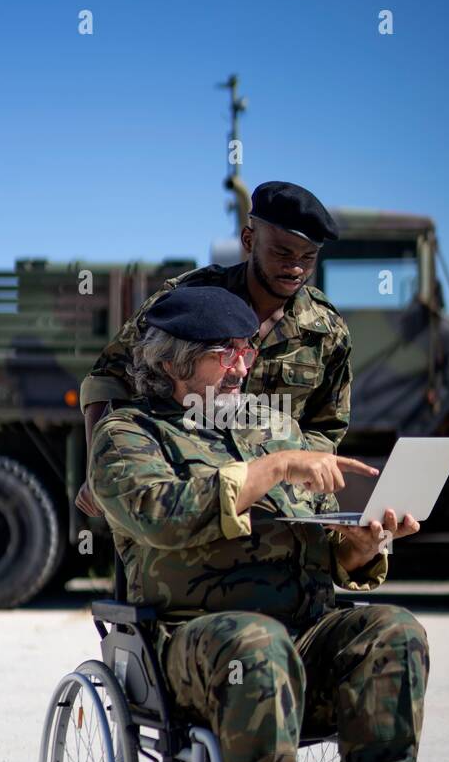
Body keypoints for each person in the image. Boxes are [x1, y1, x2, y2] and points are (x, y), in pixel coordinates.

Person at [89, 284, 446, 762]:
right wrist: (275, 467)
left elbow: (320, 542)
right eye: (228, 354)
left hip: (300, 635)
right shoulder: (127, 435)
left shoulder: (271, 427)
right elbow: (162, 514)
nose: (245, 366)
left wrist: (362, 545)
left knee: (394, 632)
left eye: (247, 351)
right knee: (257, 645)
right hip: (197, 646)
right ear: (174, 362)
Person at [76, 181, 351, 517]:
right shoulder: (189, 300)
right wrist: (98, 468)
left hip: (275, 505)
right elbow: (108, 376)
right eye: (282, 253)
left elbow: (327, 423)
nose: (295, 268)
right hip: (182, 492)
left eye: (307, 257)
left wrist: (300, 473)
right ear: (249, 241)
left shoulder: (326, 330)